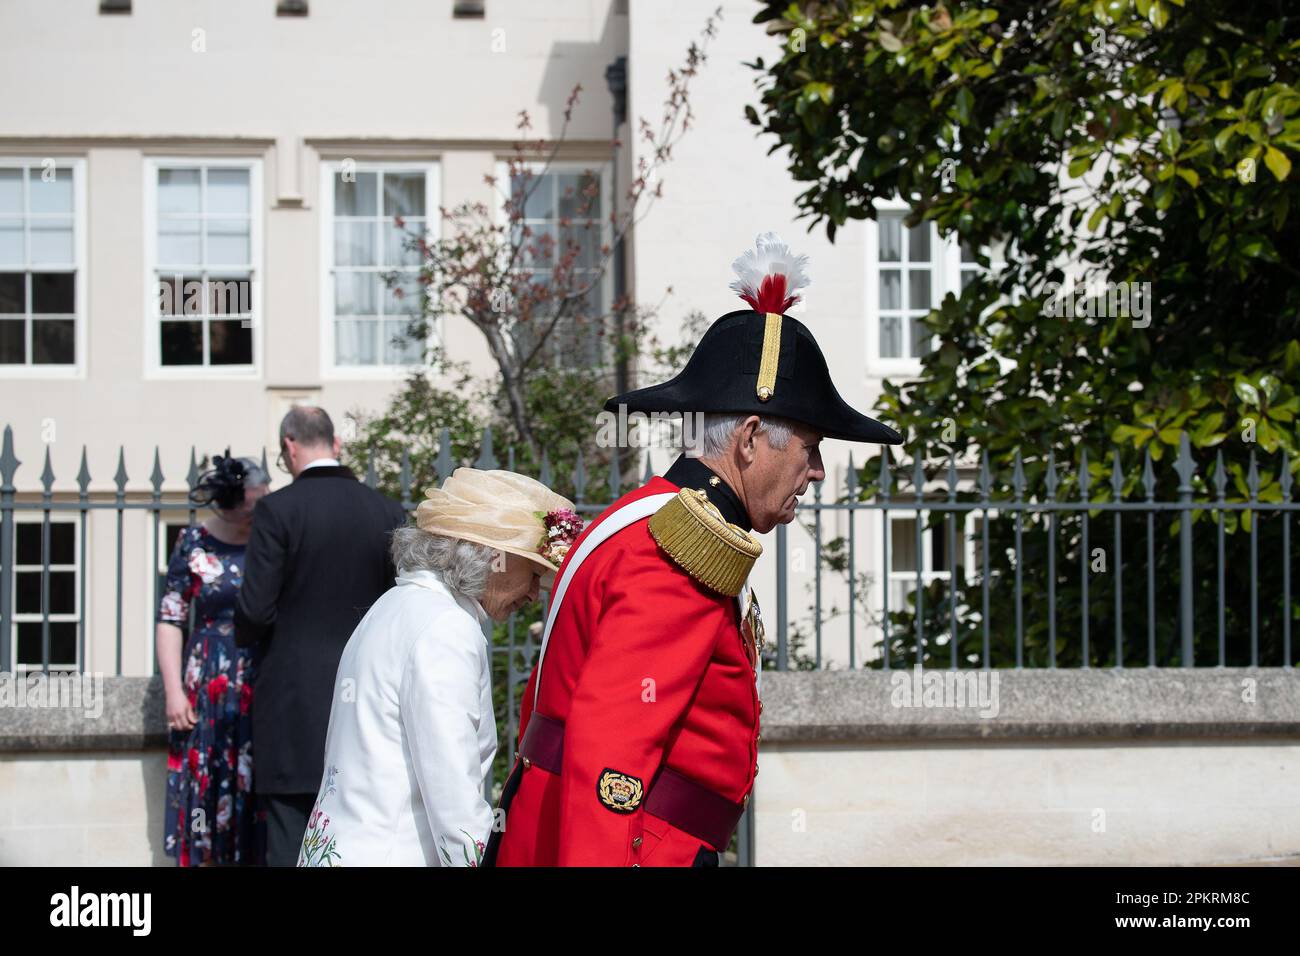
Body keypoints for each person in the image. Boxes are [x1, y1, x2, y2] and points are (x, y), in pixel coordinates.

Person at [484, 232, 904, 867]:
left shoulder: (644, 516)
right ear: (751, 438)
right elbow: (610, 754)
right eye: (810, 448)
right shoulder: (672, 553)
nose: (817, 471)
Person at [297, 468, 579, 866]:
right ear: (491, 556)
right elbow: (454, 797)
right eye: (532, 573)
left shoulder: (394, 605)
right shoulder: (446, 627)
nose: (534, 593)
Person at [233, 405, 408, 866]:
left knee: (290, 837)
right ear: (335, 444)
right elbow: (400, 603)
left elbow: (254, 610)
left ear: (289, 446)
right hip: (370, 701)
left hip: (293, 705)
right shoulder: (385, 509)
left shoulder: (276, 510)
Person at [157, 450, 271, 866]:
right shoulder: (192, 542)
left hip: (260, 679)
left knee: (255, 785)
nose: (254, 512)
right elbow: (170, 616)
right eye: (249, 504)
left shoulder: (270, 539)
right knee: (205, 789)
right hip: (205, 683)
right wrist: (173, 692)